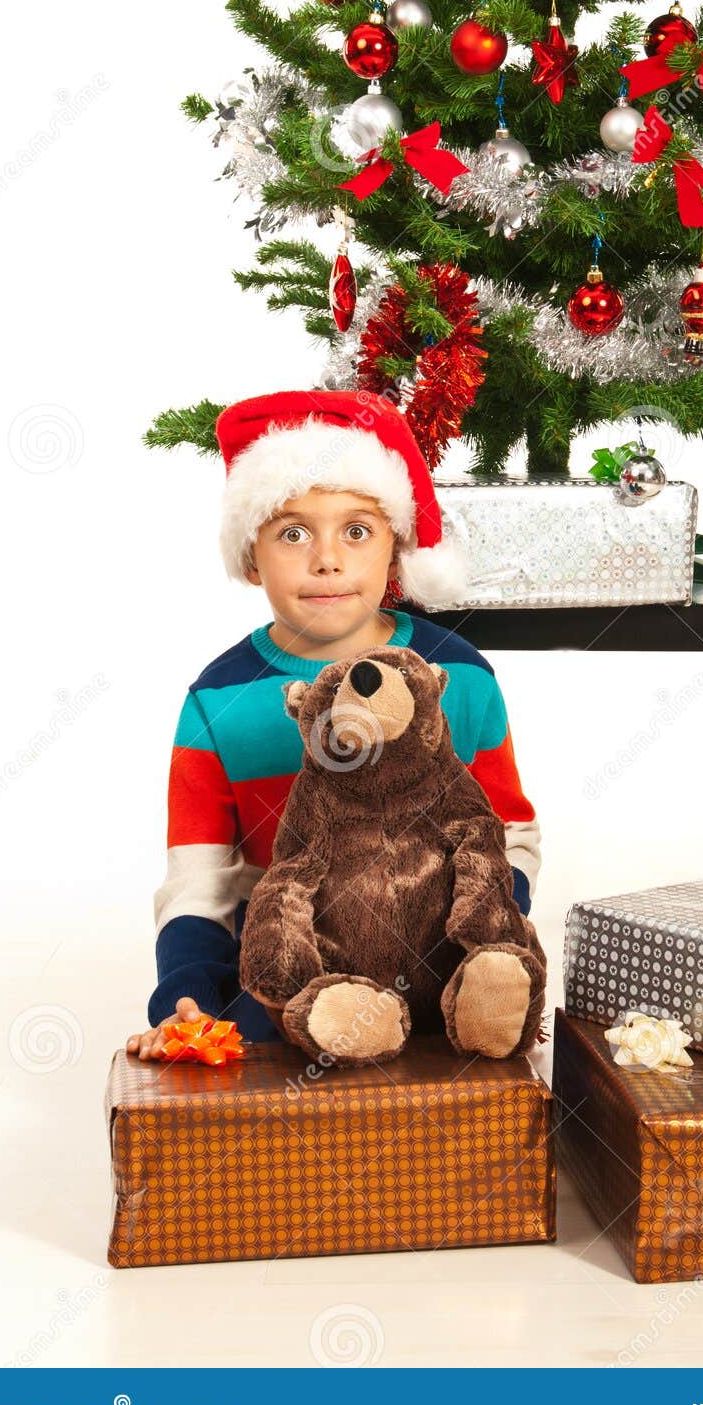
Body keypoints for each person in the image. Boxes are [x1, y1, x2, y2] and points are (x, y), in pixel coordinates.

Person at [126, 389, 541, 1058]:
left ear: (395, 550)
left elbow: (508, 837)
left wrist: (487, 938)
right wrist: (188, 995)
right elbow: (199, 879)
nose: (327, 559)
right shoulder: (218, 699)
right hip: (297, 991)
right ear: (251, 554)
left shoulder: (457, 676)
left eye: (356, 530)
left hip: (443, 985)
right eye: (293, 532)